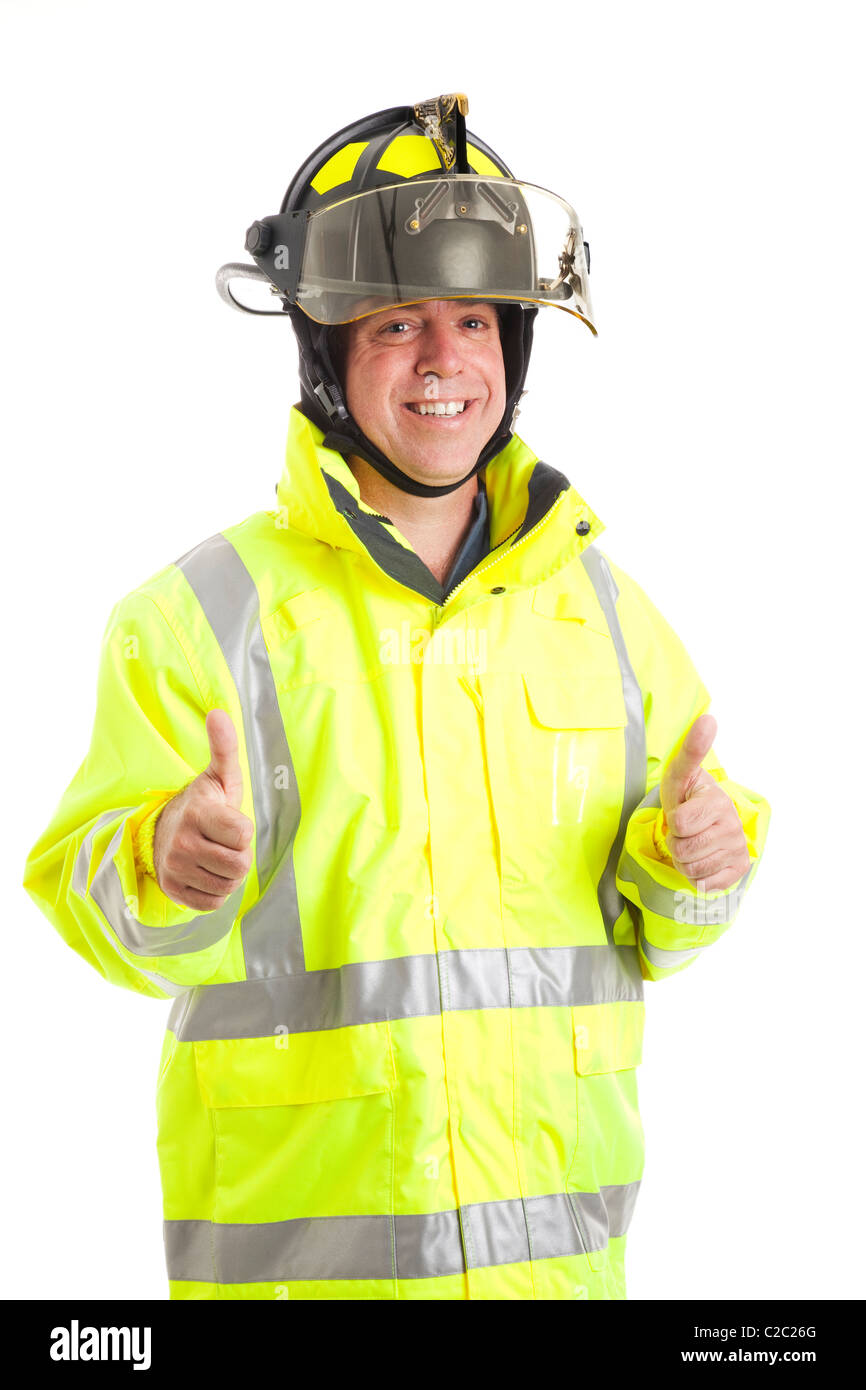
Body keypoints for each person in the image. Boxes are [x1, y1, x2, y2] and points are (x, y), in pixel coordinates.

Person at [22, 93, 771, 1301]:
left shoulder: (610, 616)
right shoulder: (195, 617)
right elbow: (102, 913)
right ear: (325, 352)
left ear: (512, 348)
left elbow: (667, 924)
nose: (443, 363)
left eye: (475, 320)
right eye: (394, 326)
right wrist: (166, 862)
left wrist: (695, 862)